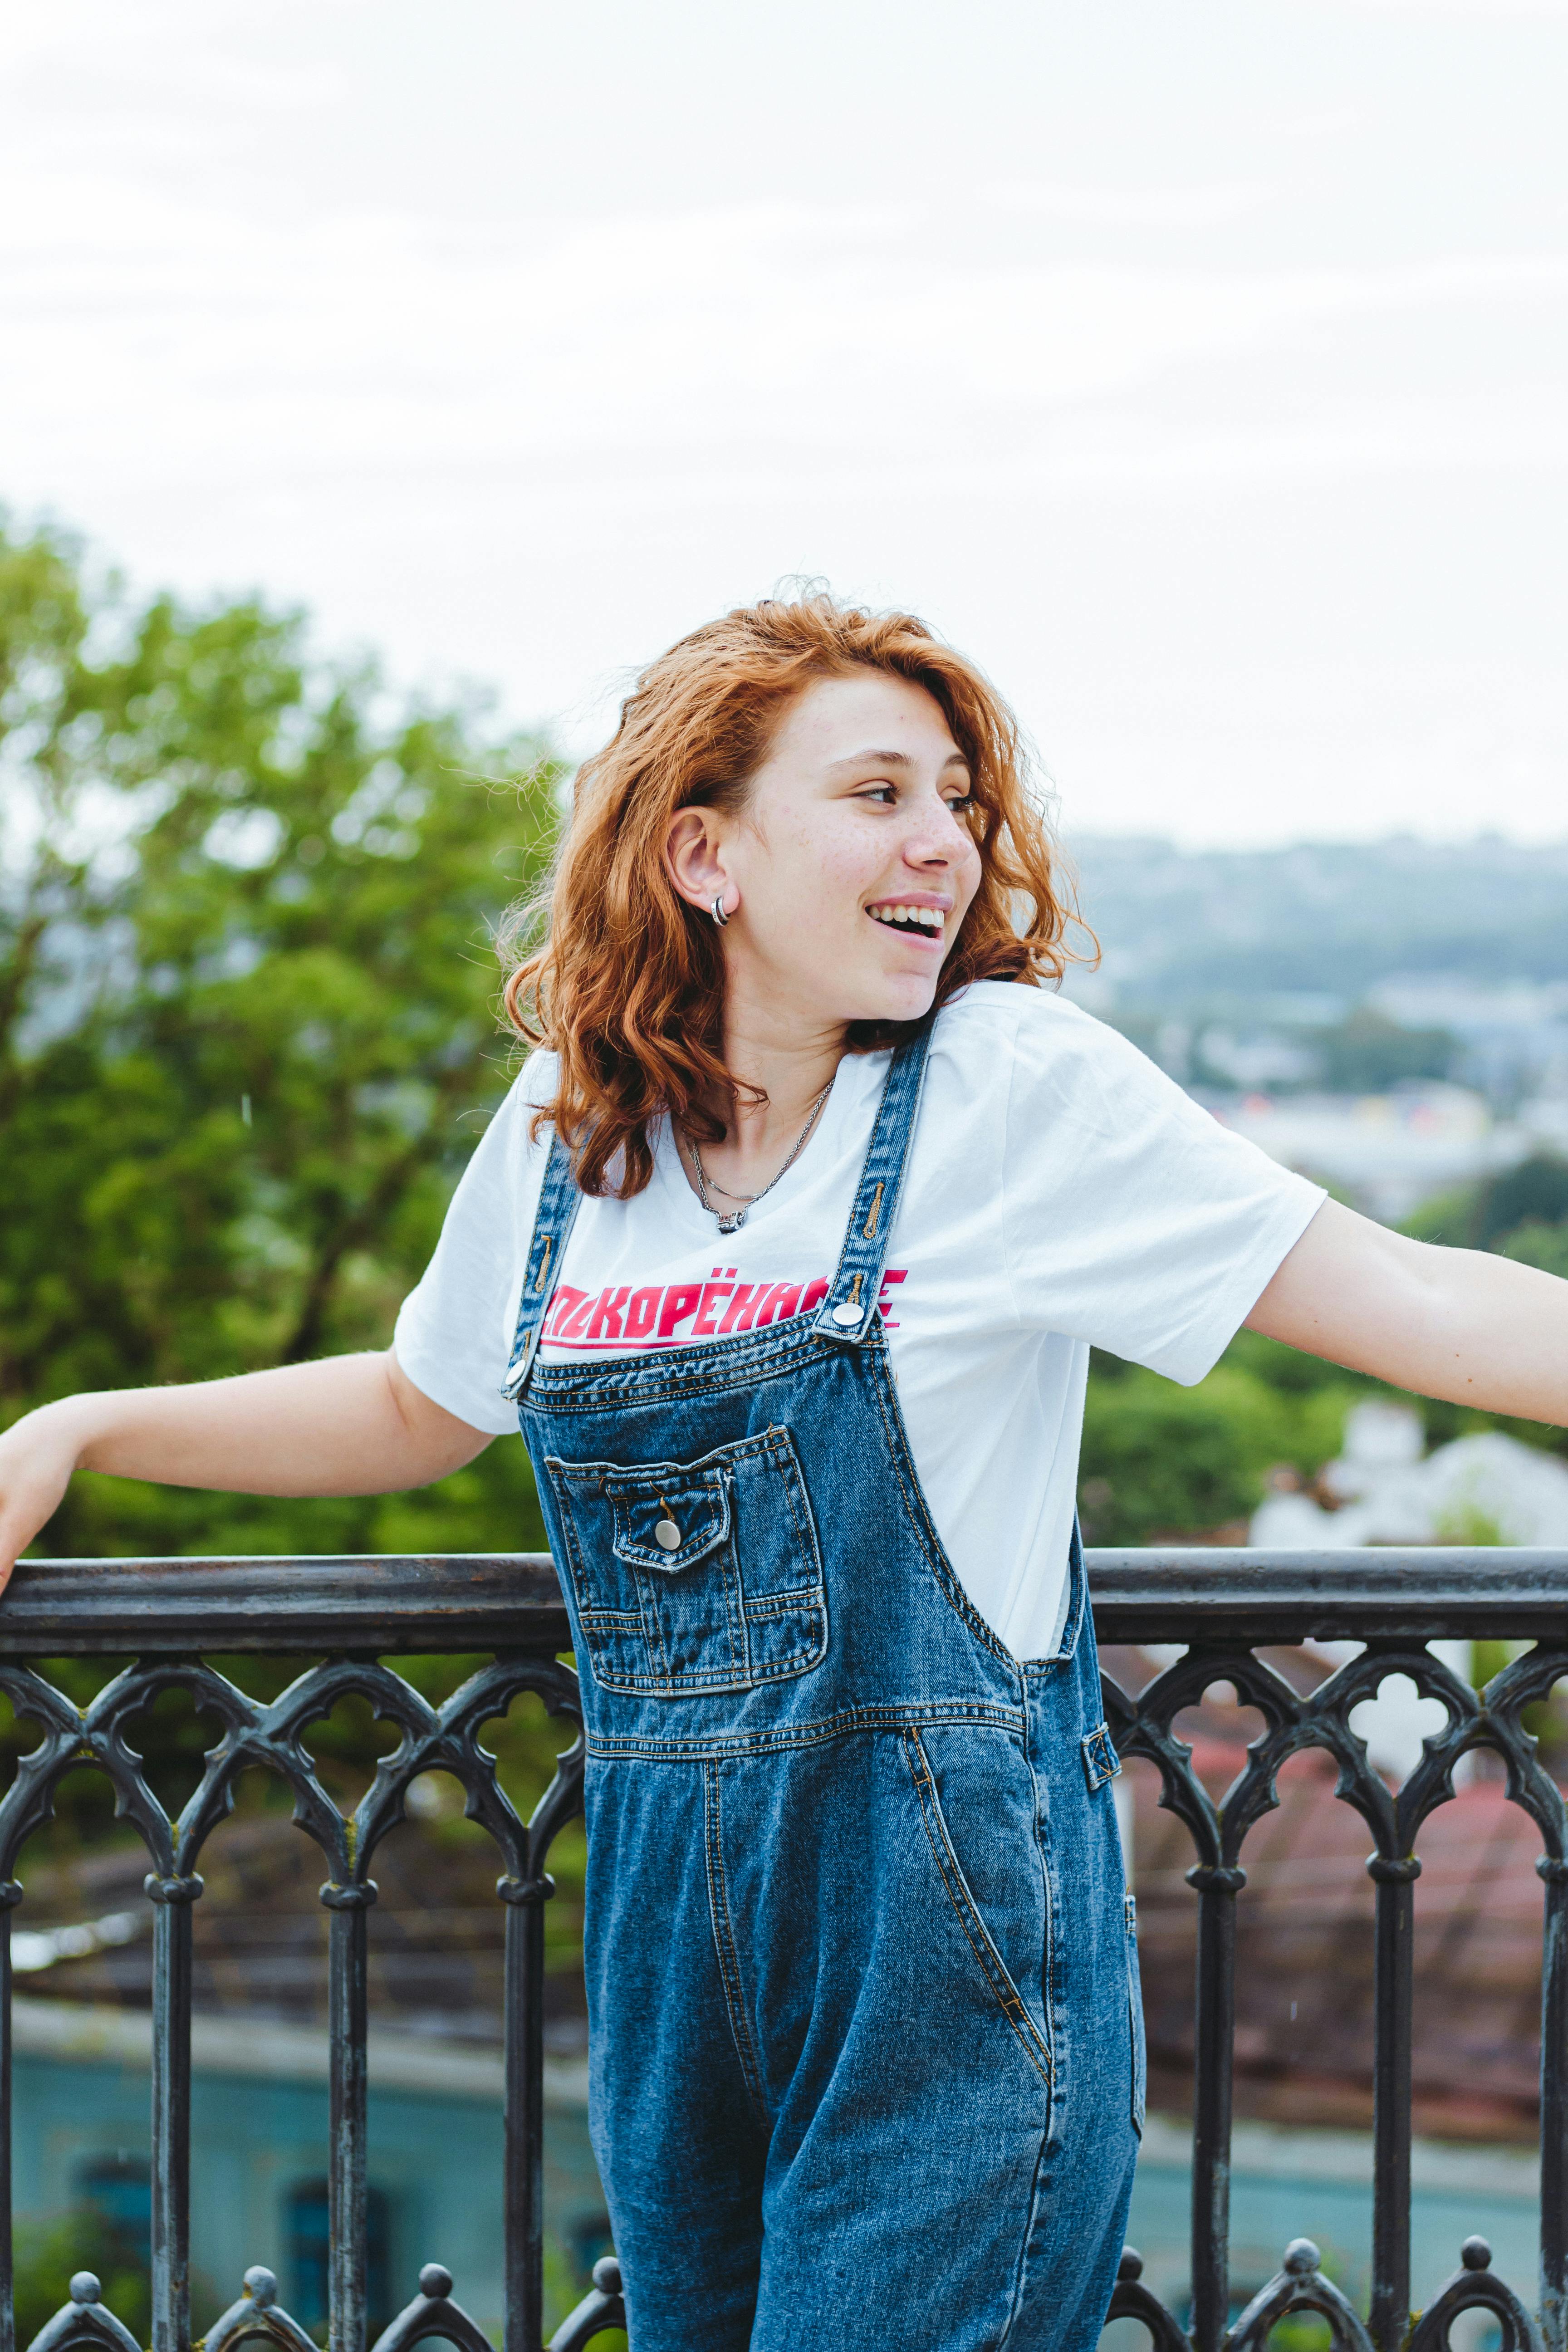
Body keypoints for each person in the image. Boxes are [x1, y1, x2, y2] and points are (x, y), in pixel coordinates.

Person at [2, 594, 1566, 2352]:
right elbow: (414, 1406)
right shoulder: (567, 1133)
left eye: (960, 802)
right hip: (673, 1990)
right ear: (704, 852)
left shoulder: (1004, 1098)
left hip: (949, 1988)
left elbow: (1419, 1294)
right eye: (880, 793)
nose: (944, 846)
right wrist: (75, 1432)